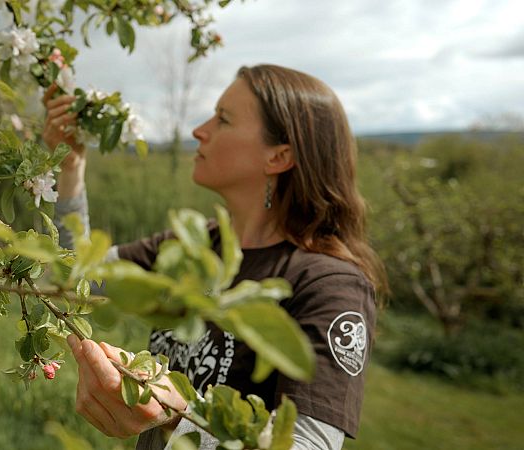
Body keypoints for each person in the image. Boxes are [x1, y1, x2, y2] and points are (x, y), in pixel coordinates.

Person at [41, 64, 386, 450]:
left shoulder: (329, 285)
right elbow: (76, 280)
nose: (199, 130)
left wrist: (179, 416)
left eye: (223, 119)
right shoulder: (194, 245)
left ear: (279, 156)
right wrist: (70, 167)